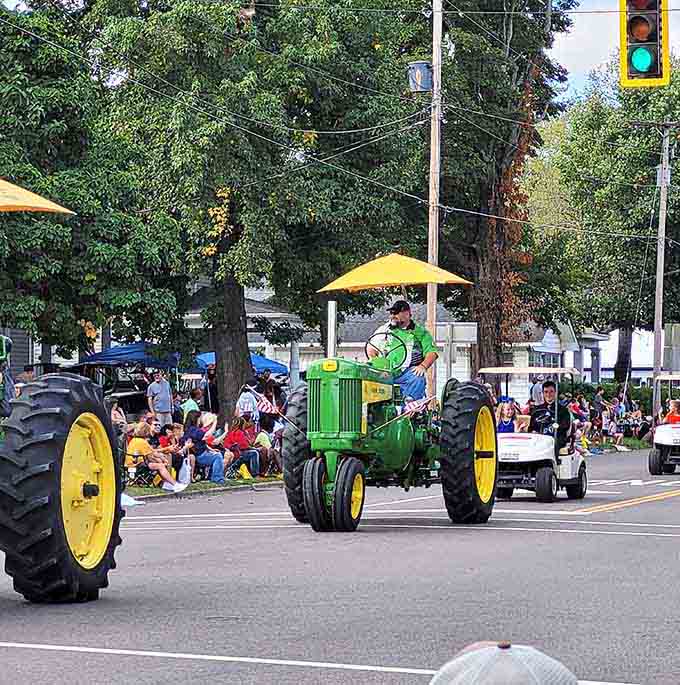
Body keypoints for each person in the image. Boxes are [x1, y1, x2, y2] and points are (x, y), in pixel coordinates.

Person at [366, 300, 437, 401]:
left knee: (417, 377)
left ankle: (409, 406)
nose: (392, 316)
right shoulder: (384, 329)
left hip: (406, 372)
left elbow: (432, 353)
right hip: (385, 371)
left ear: (407, 314)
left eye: (396, 313)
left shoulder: (420, 333)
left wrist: (422, 366)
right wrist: (376, 362)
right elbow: (371, 347)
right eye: (391, 313)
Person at [127, 422, 187, 493]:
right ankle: (175, 484)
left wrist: (162, 456)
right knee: (160, 466)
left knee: (159, 462)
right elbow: (151, 455)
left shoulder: (134, 440)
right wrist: (162, 459)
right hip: (137, 465)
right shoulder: (142, 442)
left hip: (131, 463)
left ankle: (166, 483)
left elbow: (152, 452)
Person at [182, 410, 227, 484]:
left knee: (218, 454)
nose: (200, 420)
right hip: (199, 455)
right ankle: (217, 478)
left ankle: (211, 476)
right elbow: (207, 436)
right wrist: (215, 422)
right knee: (217, 457)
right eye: (199, 418)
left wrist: (211, 450)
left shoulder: (191, 429)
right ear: (195, 419)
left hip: (201, 453)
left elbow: (201, 443)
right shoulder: (193, 430)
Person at [528, 380, 572, 449]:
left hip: (555, 438)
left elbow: (565, 426)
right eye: (546, 392)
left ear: (555, 393)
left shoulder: (563, 410)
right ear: (542, 393)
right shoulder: (537, 410)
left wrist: (554, 426)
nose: (548, 395)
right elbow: (532, 427)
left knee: (551, 445)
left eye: (551, 392)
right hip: (539, 438)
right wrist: (534, 432)